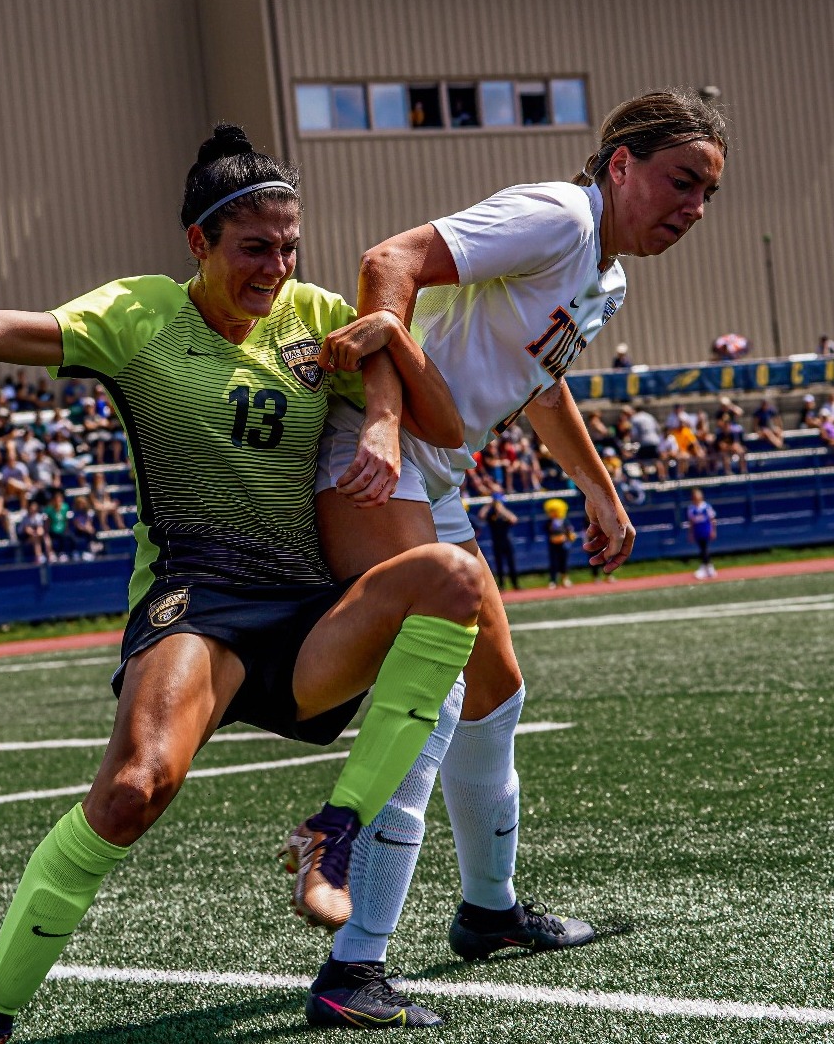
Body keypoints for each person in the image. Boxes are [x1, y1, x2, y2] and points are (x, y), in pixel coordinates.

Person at [0, 123, 488, 1044]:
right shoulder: (139, 314)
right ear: (198, 244)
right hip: (196, 603)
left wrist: (388, 375)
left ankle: (331, 828)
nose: (277, 267)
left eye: (290, 246)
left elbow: (443, 427)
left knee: (453, 577)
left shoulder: (317, 315)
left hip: (302, 616)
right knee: (131, 792)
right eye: (255, 247)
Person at [301, 88, 724, 1025]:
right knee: (436, 692)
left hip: (432, 475)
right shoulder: (556, 215)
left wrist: (599, 487)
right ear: (619, 165)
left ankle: (486, 911)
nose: (692, 207)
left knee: (495, 693)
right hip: (374, 462)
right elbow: (390, 261)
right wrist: (378, 421)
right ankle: (350, 968)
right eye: (679, 181)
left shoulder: (604, 274)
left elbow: (537, 388)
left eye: (706, 195)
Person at [480, 492, 520, 590]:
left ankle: (515, 584)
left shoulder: (504, 514)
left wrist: (502, 509)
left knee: (511, 562)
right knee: (499, 563)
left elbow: (514, 519)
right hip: (497, 541)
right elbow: (481, 515)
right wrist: (489, 505)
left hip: (507, 541)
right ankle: (501, 584)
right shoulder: (491, 515)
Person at [542, 497, 573, 589]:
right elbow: (546, 530)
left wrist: (568, 537)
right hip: (553, 544)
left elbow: (569, 530)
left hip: (563, 544)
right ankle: (553, 581)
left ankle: (564, 579)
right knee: (553, 563)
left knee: (563, 562)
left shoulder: (564, 520)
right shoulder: (549, 521)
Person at [686, 486, 717, 579]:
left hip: (705, 529)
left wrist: (713, 530)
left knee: (704, 548)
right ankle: (707, 567)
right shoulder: (691, 508)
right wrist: (690, 533)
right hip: (697, 530)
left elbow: (712, 519)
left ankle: (707, 567)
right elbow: (691, 522)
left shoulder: (706, 506)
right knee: (702, 548)